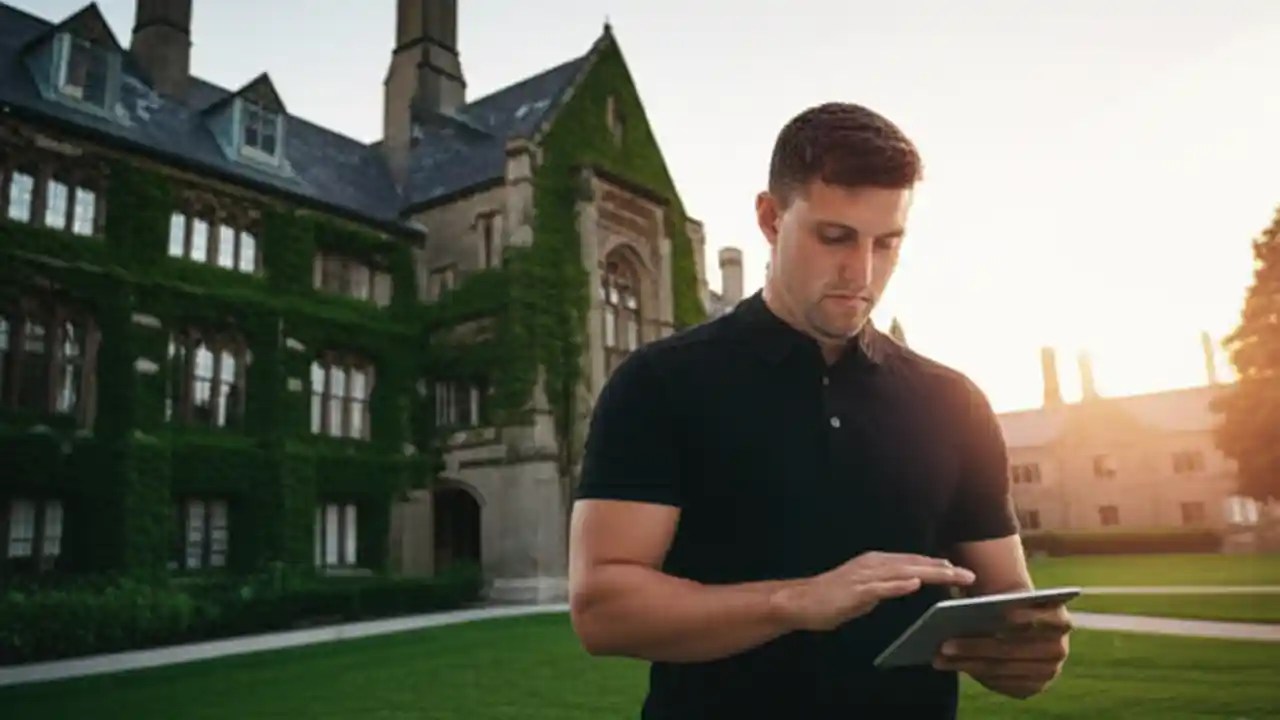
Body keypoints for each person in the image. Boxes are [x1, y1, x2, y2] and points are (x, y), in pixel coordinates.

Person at [567, 102, 1072, 718]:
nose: (861, 272)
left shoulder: (955, 402)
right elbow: (603, 610)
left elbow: (1008, 600)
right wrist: (797, 601)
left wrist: (1027, 653)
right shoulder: (659, 383)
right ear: (770, 218)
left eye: (886, 243)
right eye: (835, 237)